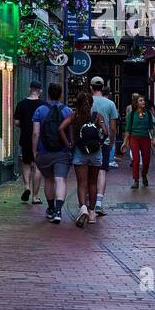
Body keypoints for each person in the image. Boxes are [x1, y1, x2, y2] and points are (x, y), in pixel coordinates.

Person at [31, 82, 73, 223]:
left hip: (44, 152)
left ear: (48, 93)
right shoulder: (67, 111)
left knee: (48, 180)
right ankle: (58, 211)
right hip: (62, 152)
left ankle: (50, 208)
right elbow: (70, 133)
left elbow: (36, 133)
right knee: (60, 180)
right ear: (61, 94)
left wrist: (34, 151)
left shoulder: (40, 110)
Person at [67, 89, 107, 227]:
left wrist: (70, 144)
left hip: (80, 152)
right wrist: (100, 143)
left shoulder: (75, 116)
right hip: (95, 152)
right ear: (91, 103)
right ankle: (91, 214)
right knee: (93, 183)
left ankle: (82, 207)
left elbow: (61, 128)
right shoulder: (97, 116)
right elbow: (106, 132)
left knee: (81, 183)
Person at [90, 76, 119, 215]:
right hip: (104, 142)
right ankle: (99, 203)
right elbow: (113, 128)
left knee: (89, 171)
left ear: (91, 87)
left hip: (88, 142)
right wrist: (112, 142)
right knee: (101, 171)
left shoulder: (87, 102)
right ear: (102, 88)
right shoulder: (110, 104)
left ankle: (87, 202)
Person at [13, 82, 44, 205]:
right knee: (37, 166)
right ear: (40, 90)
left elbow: (16, 122)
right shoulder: (43, 105)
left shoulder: (21, 104)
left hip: (25, 137)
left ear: (29, 89)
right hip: (40, 139)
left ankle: (27, 186)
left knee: (26, 163)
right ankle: (35, 197)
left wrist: (25, 125)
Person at [120, 94, 155, 188]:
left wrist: (154, 138)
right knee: (136, 159)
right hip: (134, 138)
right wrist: (125, 142)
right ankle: (136, 180)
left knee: (146, 159)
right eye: (140, 100)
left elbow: (151, 127)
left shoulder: (148, 113)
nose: (143, 102)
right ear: (136, 103)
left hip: (145, 138)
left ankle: (144, 175)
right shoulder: (131, 114)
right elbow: (128, 129)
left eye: (143, 100)